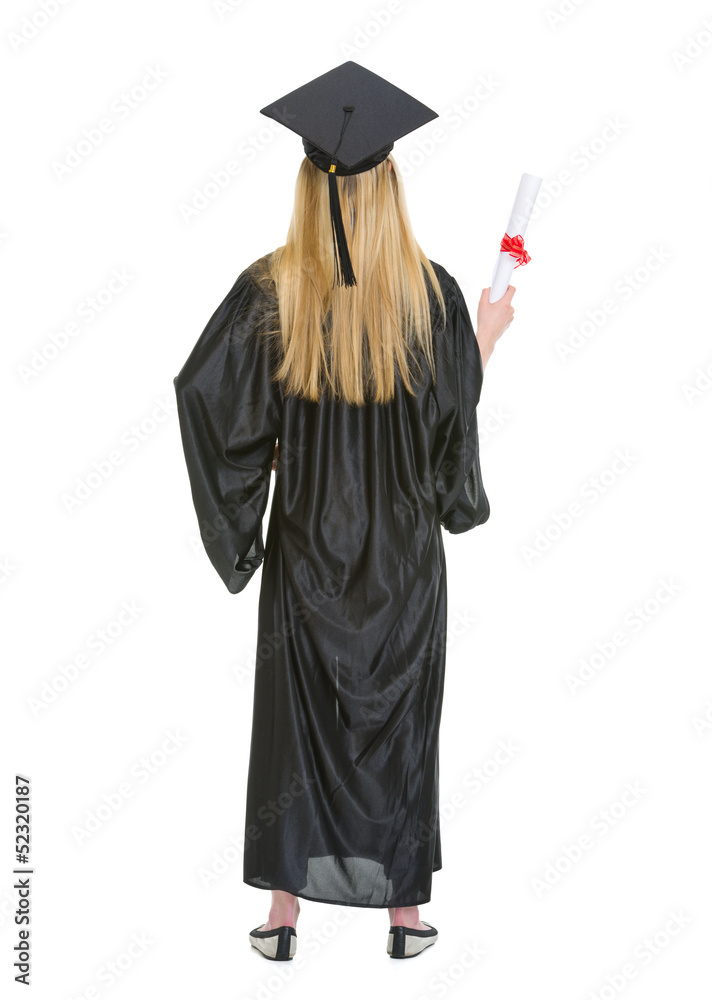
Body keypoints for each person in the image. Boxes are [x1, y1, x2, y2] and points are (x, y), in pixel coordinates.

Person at [173, 61, 515, 962]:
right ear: (390, 181)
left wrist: (262, 480)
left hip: (306, 558)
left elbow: (204, 398)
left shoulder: (271, 291)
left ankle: (283, 918)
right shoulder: (431, 296)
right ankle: (405, 916)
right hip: (403, 564)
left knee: (298, 721)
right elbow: (448, 438)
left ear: (307, 184)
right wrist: (480, 342)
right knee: (398, 722)